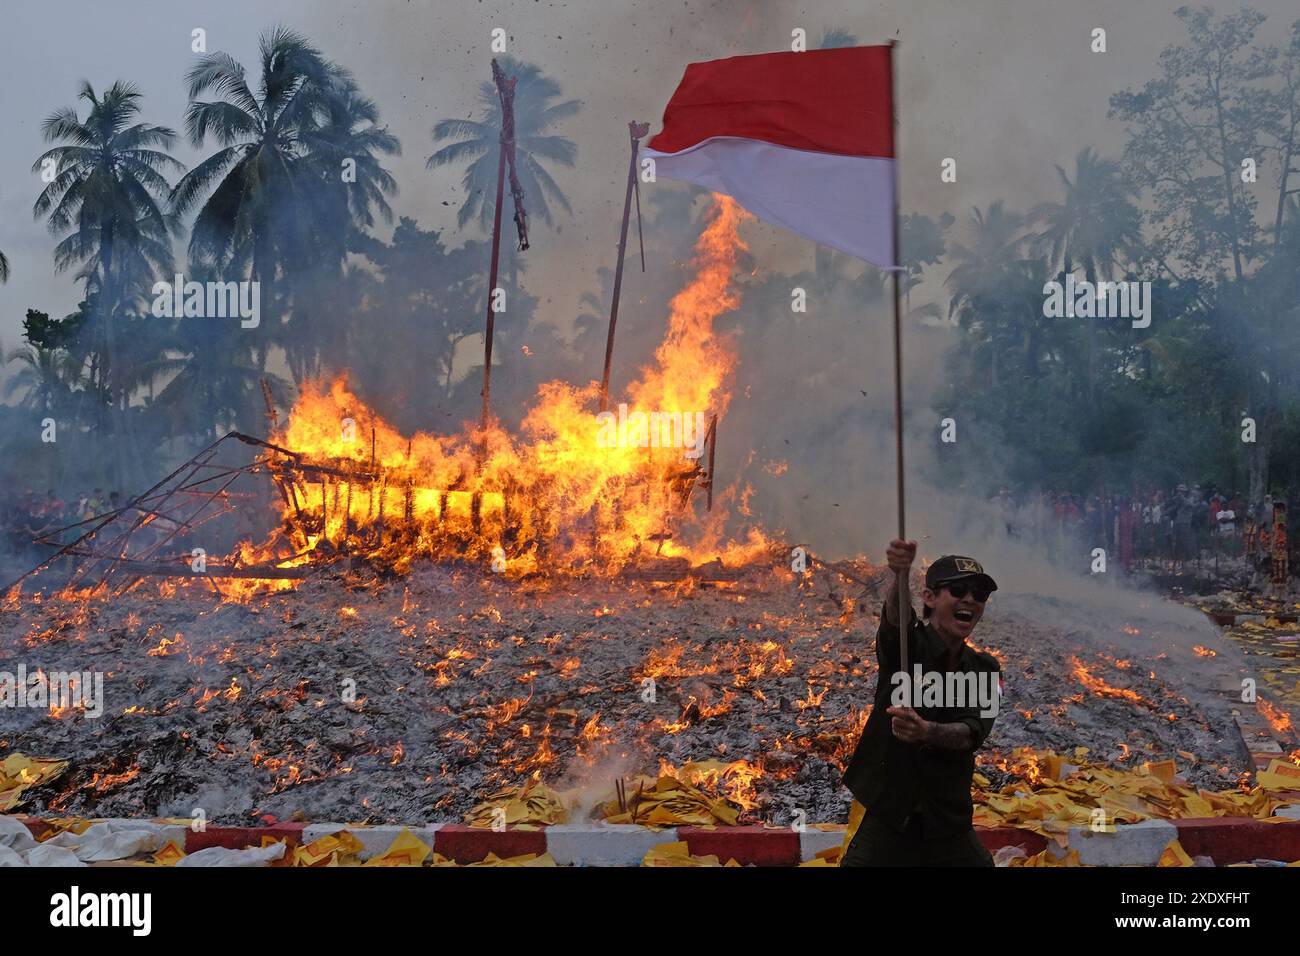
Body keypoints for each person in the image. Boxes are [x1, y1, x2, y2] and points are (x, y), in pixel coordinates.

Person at [840, 541, 1002, 867]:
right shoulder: (906, 647)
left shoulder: (986, 669)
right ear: (929, 598)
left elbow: (972, 733)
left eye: (979, 594)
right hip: (891, 819)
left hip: (947, 823)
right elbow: (897, 618)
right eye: (957, 589)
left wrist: (926, 731)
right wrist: (900, 576)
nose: (969, 599)